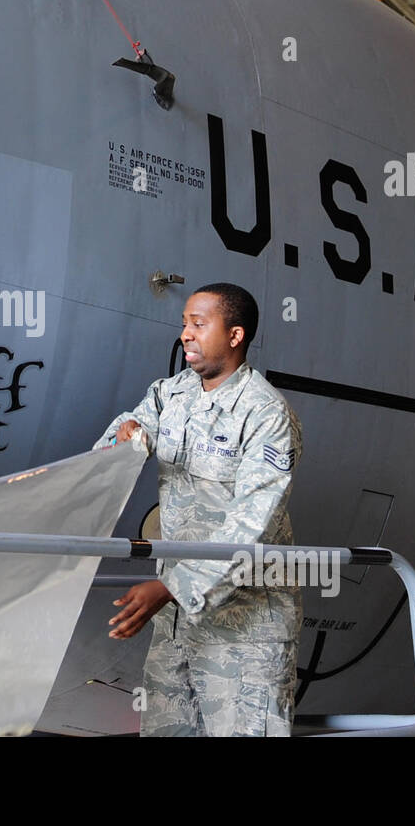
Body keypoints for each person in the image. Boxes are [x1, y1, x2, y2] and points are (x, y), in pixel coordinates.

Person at [94, 283, 302, 736]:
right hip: (177, 626)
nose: (186, 333)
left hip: (246, 627)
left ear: (235, 336)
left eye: (199, 324)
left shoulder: (265, 413)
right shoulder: (171, 394)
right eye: (185, 323)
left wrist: (170, 587)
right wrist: (125, 435)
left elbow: (253, 523)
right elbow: (112, 444)